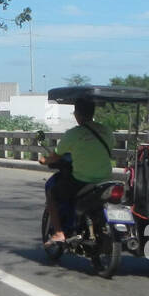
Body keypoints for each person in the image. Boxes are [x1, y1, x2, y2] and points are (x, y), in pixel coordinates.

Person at [42, 98, 114, 246]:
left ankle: (59, 233)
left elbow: (56, 155)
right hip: (106, 180)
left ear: (77, 114)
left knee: (52, 194)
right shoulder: (106, 130)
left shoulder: (74, 134)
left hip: (82, 181)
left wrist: (45, 160)